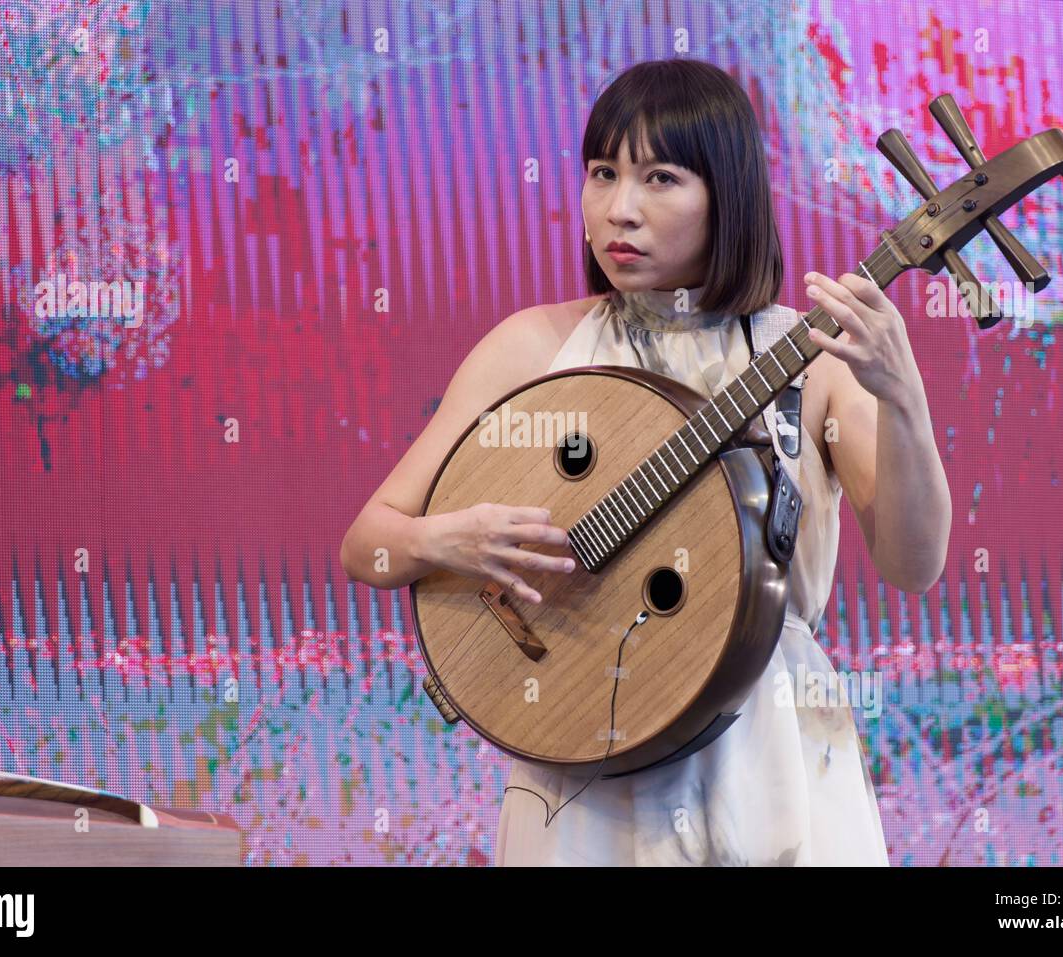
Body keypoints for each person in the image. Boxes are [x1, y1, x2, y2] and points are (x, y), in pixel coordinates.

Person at [340, 58, 951, 866]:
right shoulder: (534, 346)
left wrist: (902, 396)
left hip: (770, 746)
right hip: (584, 748)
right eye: (602, 174)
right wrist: (454, 540)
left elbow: (915, 564)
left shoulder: (815, 360)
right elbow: (368, 542)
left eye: (659, 177)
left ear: (727, 193)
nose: (618, 209)